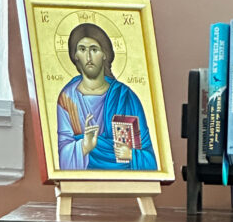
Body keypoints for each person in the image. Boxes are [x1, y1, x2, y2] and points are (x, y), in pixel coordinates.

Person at [57, 22, 158, 171]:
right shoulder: (67, 98)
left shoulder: (126, 96)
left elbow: (148, 155)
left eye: (94, 49)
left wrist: (131, 154)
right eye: (82, 49)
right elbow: (62, 153)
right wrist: (85, 146)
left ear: (105, 54)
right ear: (75, 55)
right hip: (84, 178)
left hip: (126, 178)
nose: (88, 56)